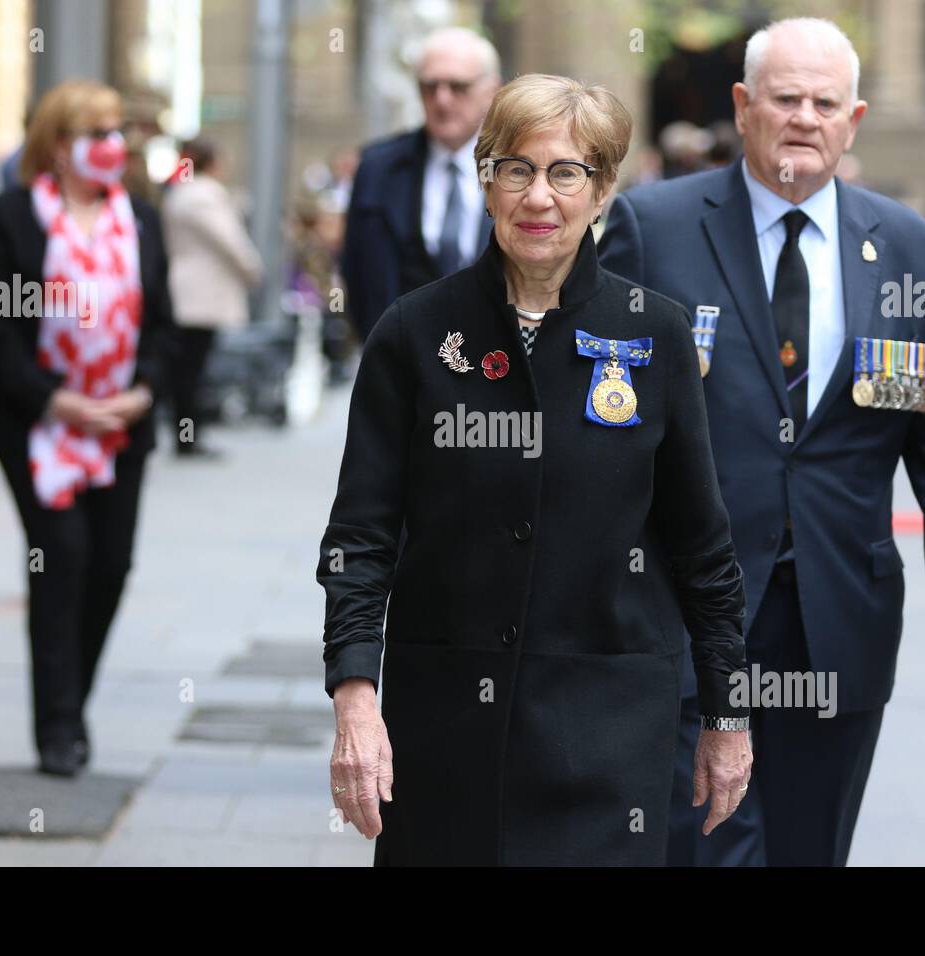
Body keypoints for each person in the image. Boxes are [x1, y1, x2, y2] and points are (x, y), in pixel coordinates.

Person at [318, 73, 751, 866]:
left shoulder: (654, 335)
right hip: (443, 727)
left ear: (604, 191)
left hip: (606, 737)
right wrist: (355, 695)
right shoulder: (414, 333)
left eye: (566, 172)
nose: (538, 196)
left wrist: (730, 716)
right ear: (485, 181)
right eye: (514, 167)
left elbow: (703, 549)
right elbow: (360, 537)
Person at [599, 17, 925, 866]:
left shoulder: (911, 252)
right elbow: (603, 416)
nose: (805, 118)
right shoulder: (655, 228)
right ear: (744, 108)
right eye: (785, 98)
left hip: (837, 615)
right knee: (705, 841)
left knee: (808, 848)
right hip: (688, 610)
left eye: (825, 102)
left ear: (853, 119)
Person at [0, 79, 176, 777]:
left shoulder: (141, 219)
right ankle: (58, 729)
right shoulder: (10, 217)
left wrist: (142, 392)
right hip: (38, 424)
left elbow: (161, 322)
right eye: (95, 133)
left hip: (121, 424)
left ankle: (70, 702)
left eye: (119, 131)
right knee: (60, 559)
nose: (112, 145)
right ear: (57, 146)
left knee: (110, 564)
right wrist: (57, 401)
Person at [341, 27, 500, 340]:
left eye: (458, 86)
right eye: (430, 87)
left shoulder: (520, 170)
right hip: (401, 363)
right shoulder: (378, 168)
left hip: (496, 363)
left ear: (492, 90)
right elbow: (356, 269)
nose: (442, 100)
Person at [160, 137, 264, 457]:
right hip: (200, 292)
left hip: (186, 288)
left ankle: (186, 435)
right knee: (192, 370)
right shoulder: (204, 195)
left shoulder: (179, 192)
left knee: (186, 369)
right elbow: (229, 240)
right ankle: (188, 438)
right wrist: (252, 269)